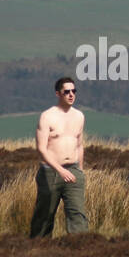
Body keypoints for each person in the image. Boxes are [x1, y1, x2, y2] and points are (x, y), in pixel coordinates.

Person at [30, 76, 88, 238]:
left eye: (74, 91)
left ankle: (81, 248)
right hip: (51, 172)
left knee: (77, 213)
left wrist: (80, 171)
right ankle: (38, 248)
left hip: (74, 170)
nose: (71, 95)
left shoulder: (79, 116)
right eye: (67, 91)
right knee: (45, 214)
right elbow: (41, 149)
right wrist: (60, 170)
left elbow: (79, 144)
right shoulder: (47, 116)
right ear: (58, 94)